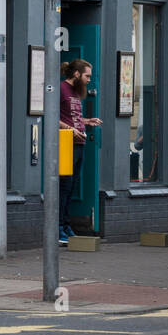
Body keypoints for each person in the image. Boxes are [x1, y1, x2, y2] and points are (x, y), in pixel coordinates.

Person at [59, 58, 101, 243]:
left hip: (79, 143)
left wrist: (87, 121)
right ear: (76, 74)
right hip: (66, 143)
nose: (89, 80)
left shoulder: (76, 92)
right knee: (64, 186)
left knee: (72, 186)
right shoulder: (61, 89)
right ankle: (59, 227)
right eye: (87, 76)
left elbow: (73, 118)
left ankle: (67, 225)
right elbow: (51, 116)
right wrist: (69, 129)